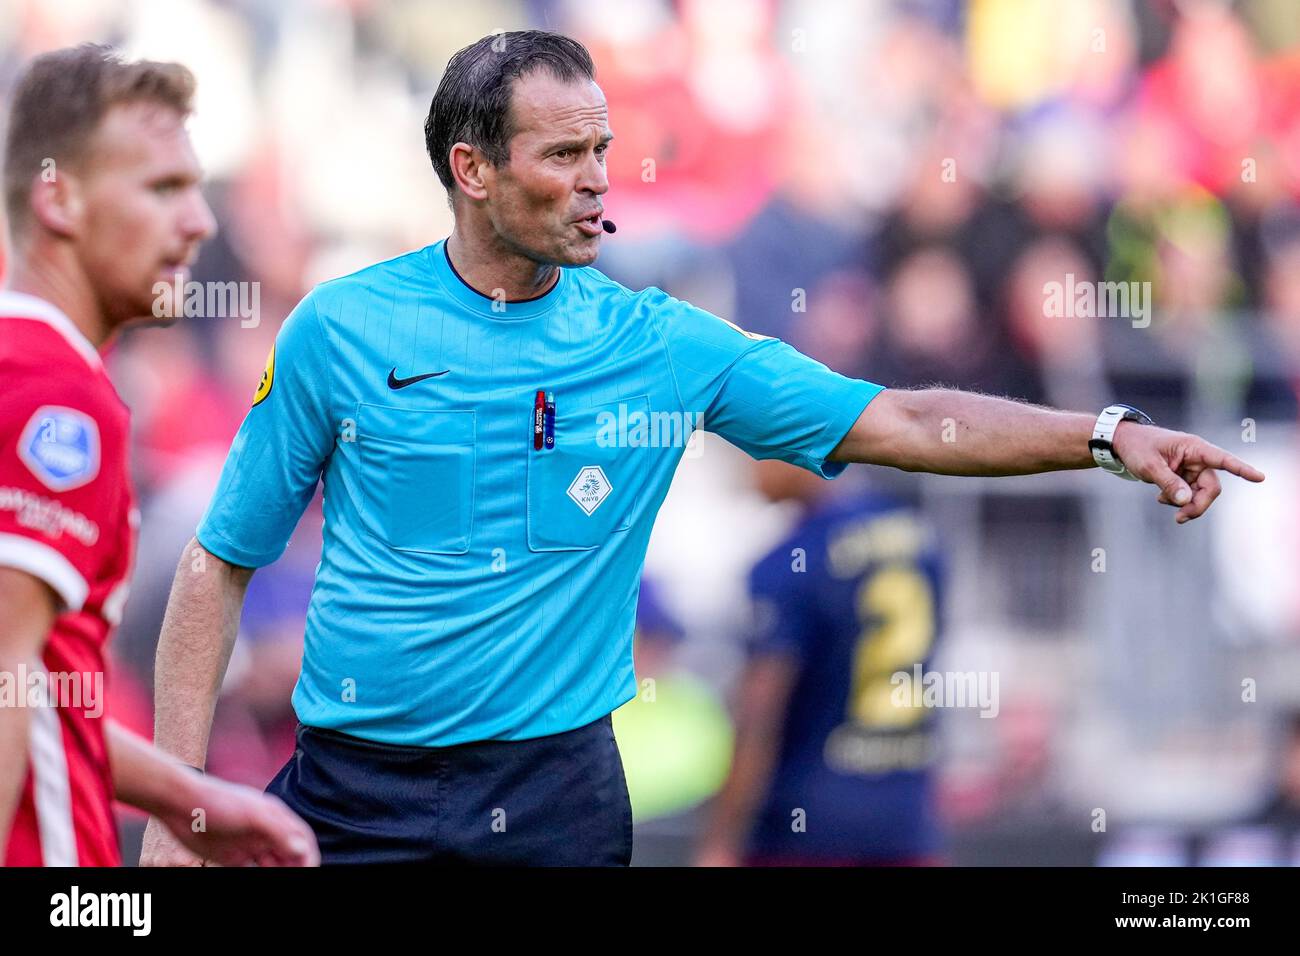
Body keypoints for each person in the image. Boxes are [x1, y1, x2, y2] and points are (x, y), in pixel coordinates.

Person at [143, 30, 1263, 867]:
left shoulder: (656, 342)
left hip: (553, 799)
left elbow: (905, 418)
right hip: (352, 796)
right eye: (564, 153)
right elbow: (219, 559)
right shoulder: (340, 329)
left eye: (604, 150)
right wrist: (180, 803)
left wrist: (1108, 435)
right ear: (471, 168)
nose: (597, 180)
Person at [0, 44, 319, 867]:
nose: (200, 222)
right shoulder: (55, 401)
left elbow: (38, 696)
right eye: (163, 188)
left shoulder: (27, 370)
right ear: (58, 197)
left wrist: (192, 796)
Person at [697, 461, 946, 866]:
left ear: (796, 440)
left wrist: (720, 842)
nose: (746, 461)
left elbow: (760, 716)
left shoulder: (788, 562)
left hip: (805, 831)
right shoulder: (921, 538)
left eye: (755, 442)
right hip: (907, 823)